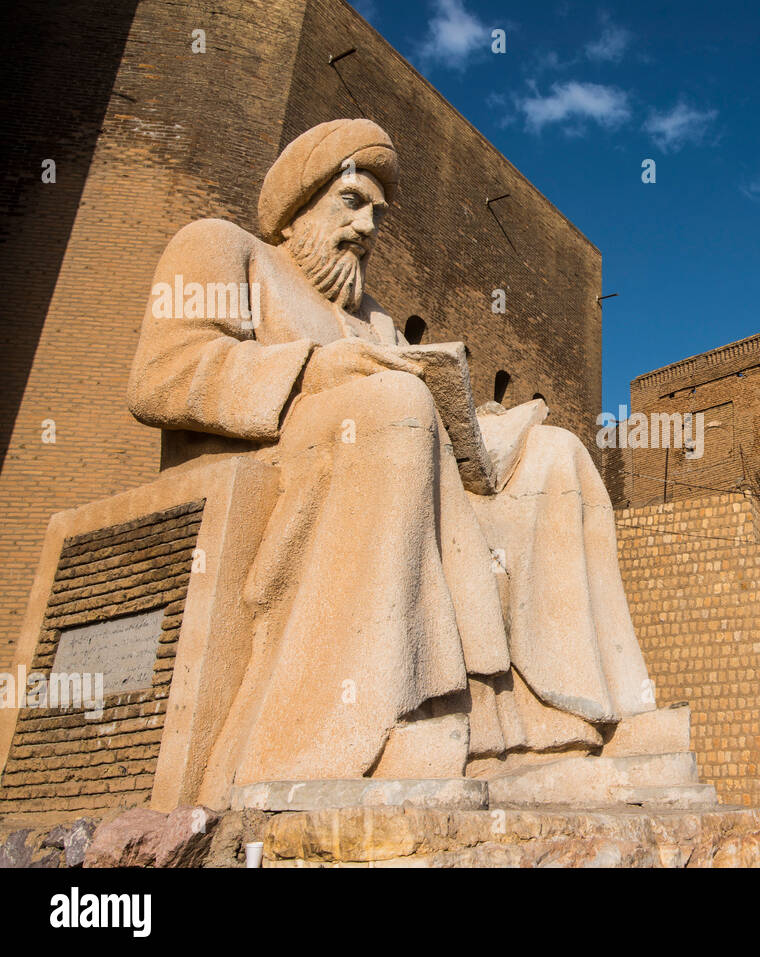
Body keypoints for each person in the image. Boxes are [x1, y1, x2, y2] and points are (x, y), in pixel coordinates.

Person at [127, 119, 655, 794]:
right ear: (296, 208)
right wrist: (314, 368)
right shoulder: (224, 250)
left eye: (377, 212)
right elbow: (163, 374)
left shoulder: (371, 317)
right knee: (395, 408)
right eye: (353, 202)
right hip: (286, 475)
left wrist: (484, 424)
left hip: (397, 470)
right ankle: (354, 726)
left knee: (557, 455)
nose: (369, 225)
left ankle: (561, 723)